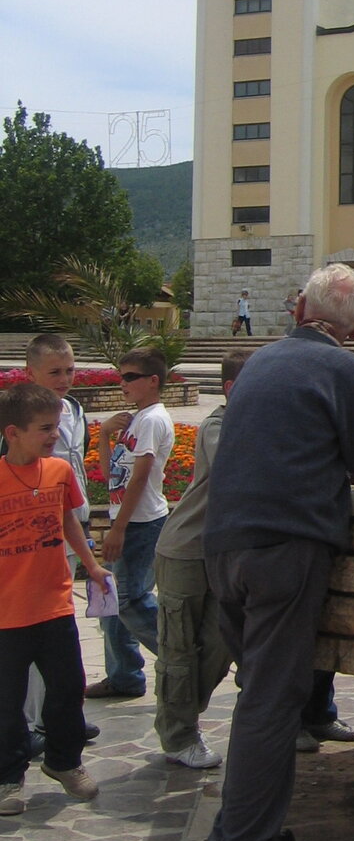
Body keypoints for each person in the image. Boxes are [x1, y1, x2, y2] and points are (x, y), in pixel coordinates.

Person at [203, 264, 354, 841]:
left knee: (257, 694)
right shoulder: (342, 369)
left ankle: (233, 830)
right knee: (274, 701)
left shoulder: (262, 361)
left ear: (302, 308)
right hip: (284, 548)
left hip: (225, 546)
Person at [1, 383, 111, 816]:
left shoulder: (59, 471)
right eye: (45, 428)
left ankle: (64, 762)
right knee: (7, 703)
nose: (54, 435)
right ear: (13, 432)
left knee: (67, 688)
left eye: (56, 426)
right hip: (7, 614)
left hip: (54, 605)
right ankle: (8, 777)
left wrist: (92, 565)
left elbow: (67, 520)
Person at [153, 347, 250, 770]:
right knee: (179, 647)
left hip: (220, 552)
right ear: (230, 388)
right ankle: (178, 735)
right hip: (185, 549)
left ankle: (184, 716)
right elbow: (235, 466)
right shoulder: (218, 425)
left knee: (219, 642)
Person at [6, 334, 100, 755]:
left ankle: (58, 717)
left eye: (70, 370)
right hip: (26, 538)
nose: (65, 379)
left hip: (64, 524)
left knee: (57, 641)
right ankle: (27, 724)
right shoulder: (19, 417)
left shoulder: (73, 410)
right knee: (25, 639)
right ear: (31, 373)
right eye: (55, 372)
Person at [86, 348, 174, 701]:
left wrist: (119, 529)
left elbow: (140, 477)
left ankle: (181, 658)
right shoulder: (136, 419)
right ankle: (123, 676)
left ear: (152, 381)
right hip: (125, 518)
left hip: (141, 523)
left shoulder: (152, 420)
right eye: (120, 377)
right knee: (110, 603)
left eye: (130, 377)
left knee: (128, 600)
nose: (122, 383)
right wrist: (105, 435)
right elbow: (112, 474)